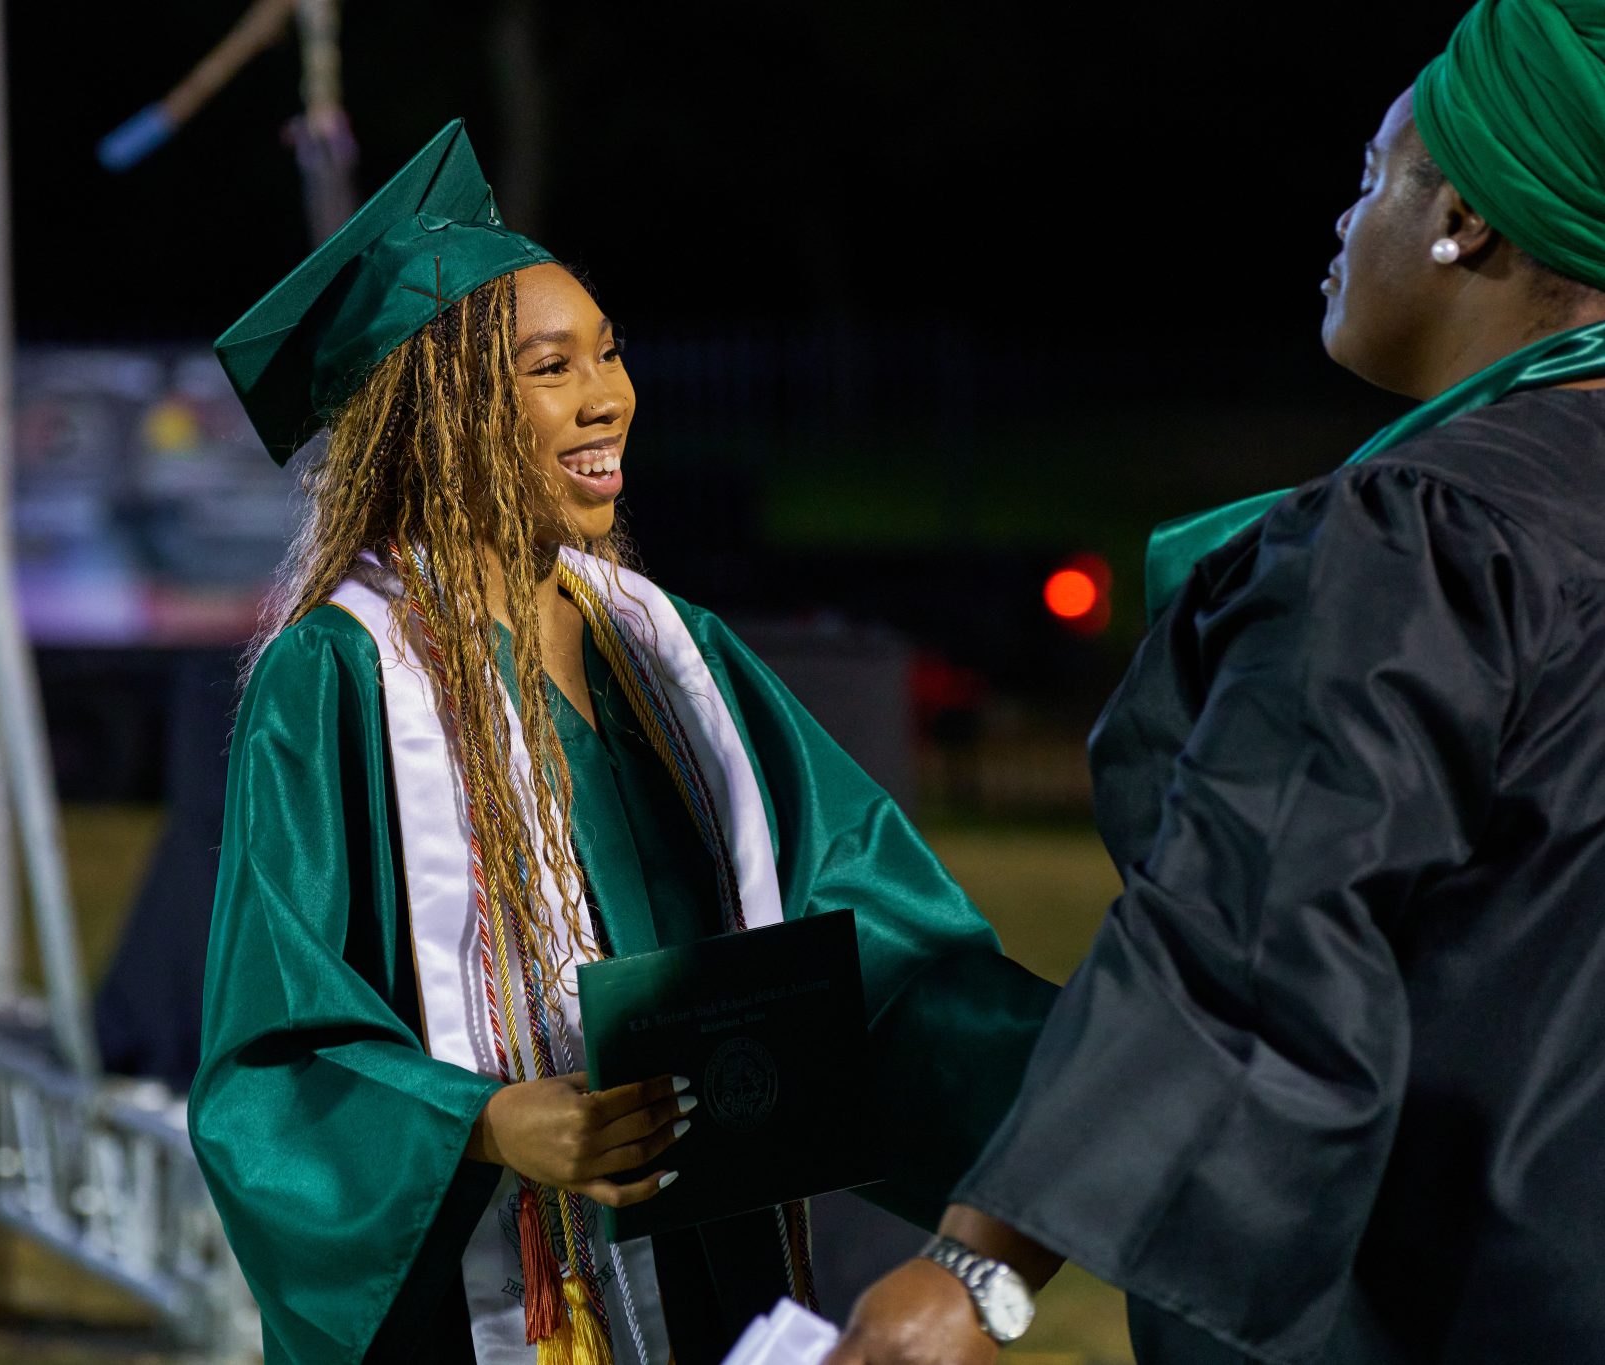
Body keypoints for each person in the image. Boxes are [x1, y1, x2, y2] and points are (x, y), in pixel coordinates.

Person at [832, 1, 1605, 1362]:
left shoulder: (1421, 541)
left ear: (1469, 225)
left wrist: (978, 1266)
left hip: (1475, 1305)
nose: (1345, 224)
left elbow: (1252, 939)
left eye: (1377, 179)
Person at [186, 121, 1055, 1365]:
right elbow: (272, 1061)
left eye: (608, 351)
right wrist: (482, 1123)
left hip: (713, 1255)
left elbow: (875, 934)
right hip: (495, 1296)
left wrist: (1097, 1077)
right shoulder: (335, 680)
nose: (608, 396)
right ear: (436, 414)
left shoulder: (670, 655)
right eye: (550, 367)